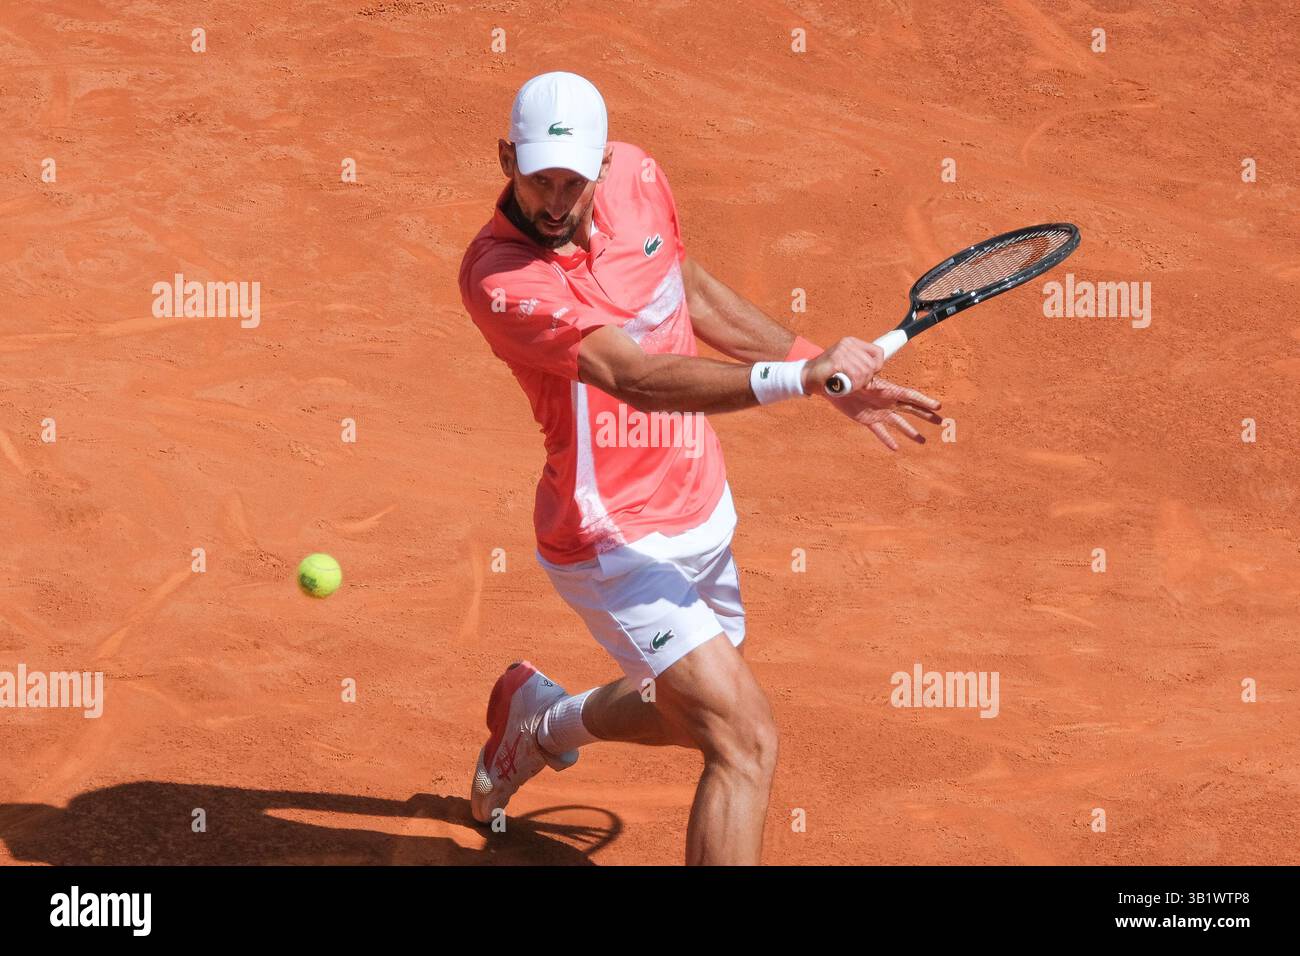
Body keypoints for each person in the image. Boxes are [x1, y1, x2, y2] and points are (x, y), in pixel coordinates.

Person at [458, 71, 943, 865]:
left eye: (571, 182)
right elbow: (635, 378)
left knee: (685, 716)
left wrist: (817, 369)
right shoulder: (501, 278)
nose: (552, 200)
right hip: (610, 536)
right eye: (536, 176)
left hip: (699, 504)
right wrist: (798, 381)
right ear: (504, 156)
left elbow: (690, 292)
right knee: (744, 740)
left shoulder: (640, 178)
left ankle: (539, 723)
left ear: (604, 164)